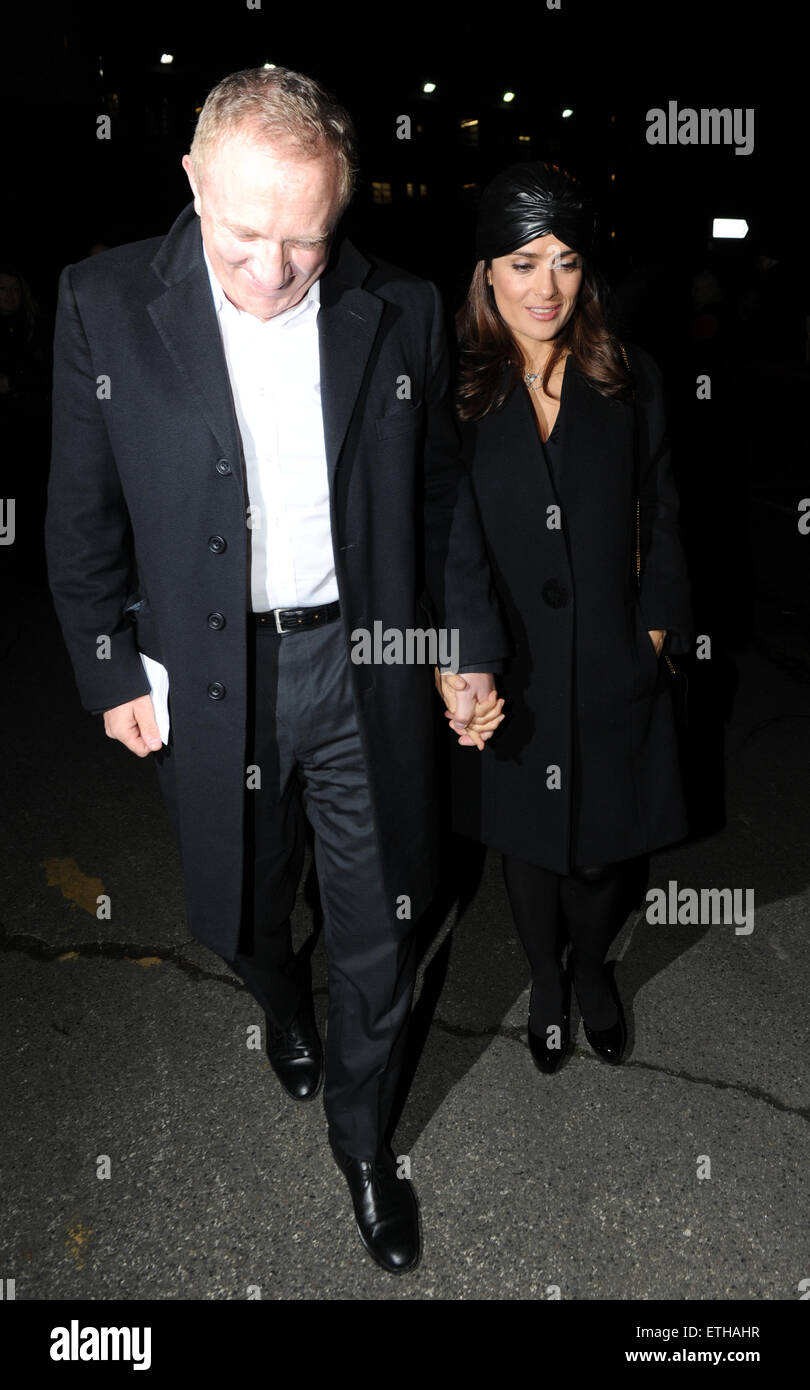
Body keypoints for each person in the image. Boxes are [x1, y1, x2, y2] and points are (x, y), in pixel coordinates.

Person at [45, 66, 508, 1275]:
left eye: (305, 241)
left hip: (365, 671)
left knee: (383, 930)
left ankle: (364, 1138)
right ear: (193, 182)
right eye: (247, 235)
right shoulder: (101, 302)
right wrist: (108, 670)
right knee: (242, 907)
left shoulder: (398, 308)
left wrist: (461, 648)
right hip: (204, 677)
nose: (271, 273)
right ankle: (278, 997)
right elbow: (79, 515)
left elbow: (442, 500)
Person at [448, 161, 692, 1073]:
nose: (546, 287)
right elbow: (446, 540)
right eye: (521, 262)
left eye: (566, 261)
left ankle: (593, 970)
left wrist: (657, 630)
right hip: (514, 670)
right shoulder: (455, 390)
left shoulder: (629, 377)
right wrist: (458, 656)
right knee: (532, 850)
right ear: (486, 271)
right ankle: (546, 987)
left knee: (602, 856)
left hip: (614, 661)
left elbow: (663, 509)